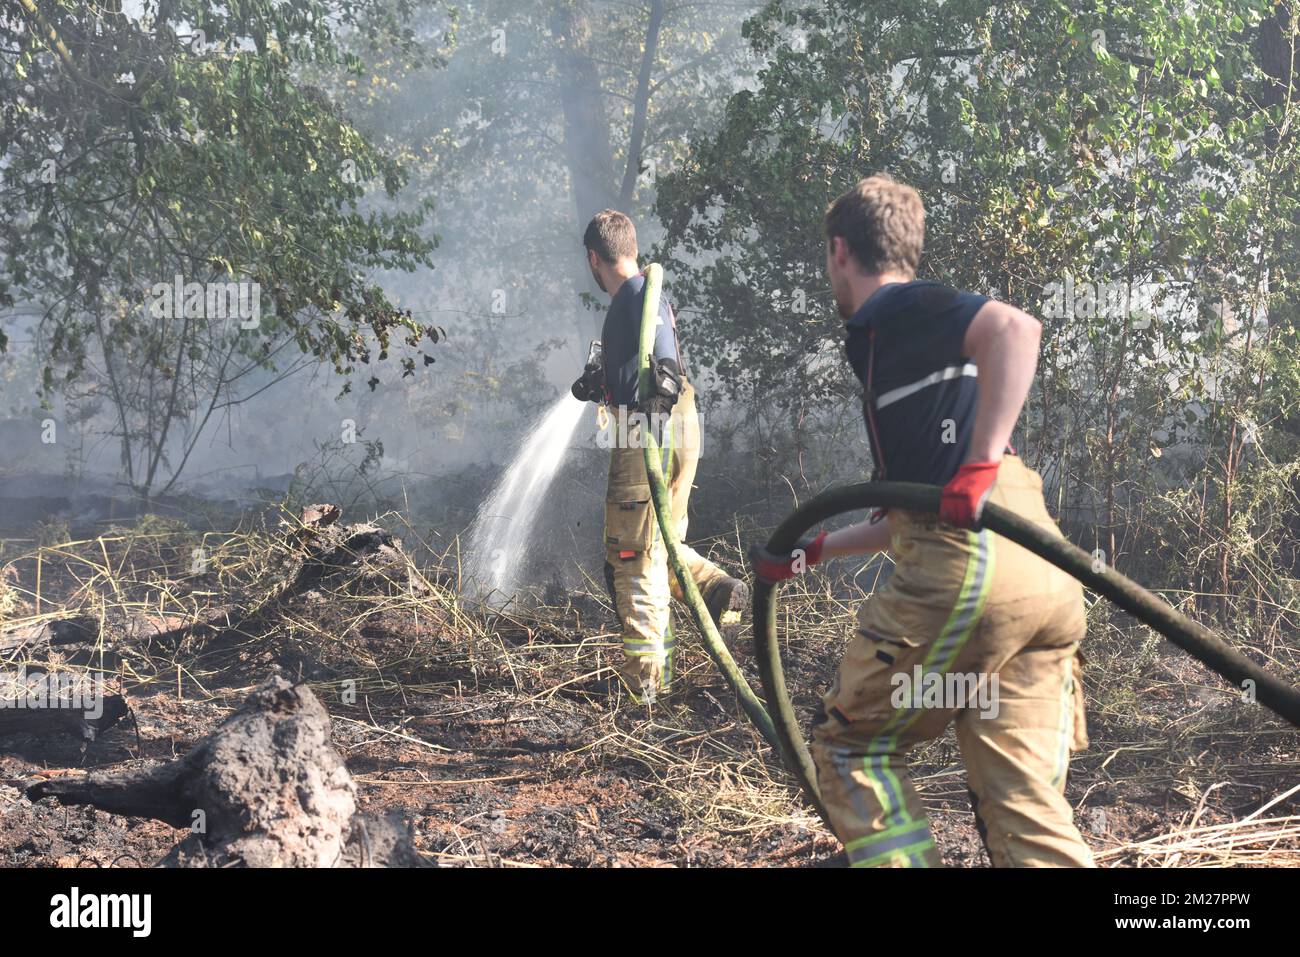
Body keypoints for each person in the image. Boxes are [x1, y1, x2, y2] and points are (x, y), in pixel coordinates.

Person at [753, 175, 1093, 867]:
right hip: (1042, 578)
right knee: (1020, 793)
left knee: (851, 745)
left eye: (828, 260)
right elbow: (924, 510)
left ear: (840, 250)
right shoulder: (904, 358)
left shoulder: (899, 309)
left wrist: (980, 462)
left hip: (974, 570)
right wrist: (817, 550)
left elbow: (1015, 329)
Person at [574, 209, 749, 703]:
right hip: (673, 425)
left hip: (649, 430)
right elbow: (643, 360)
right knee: (659, 542)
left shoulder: (635, 294)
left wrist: (659, 392)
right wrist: (602, 382)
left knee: (631, 555)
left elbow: (663, 358)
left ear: (594, 257)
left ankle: (645, 691)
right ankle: (718, 589)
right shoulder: (641, 295)